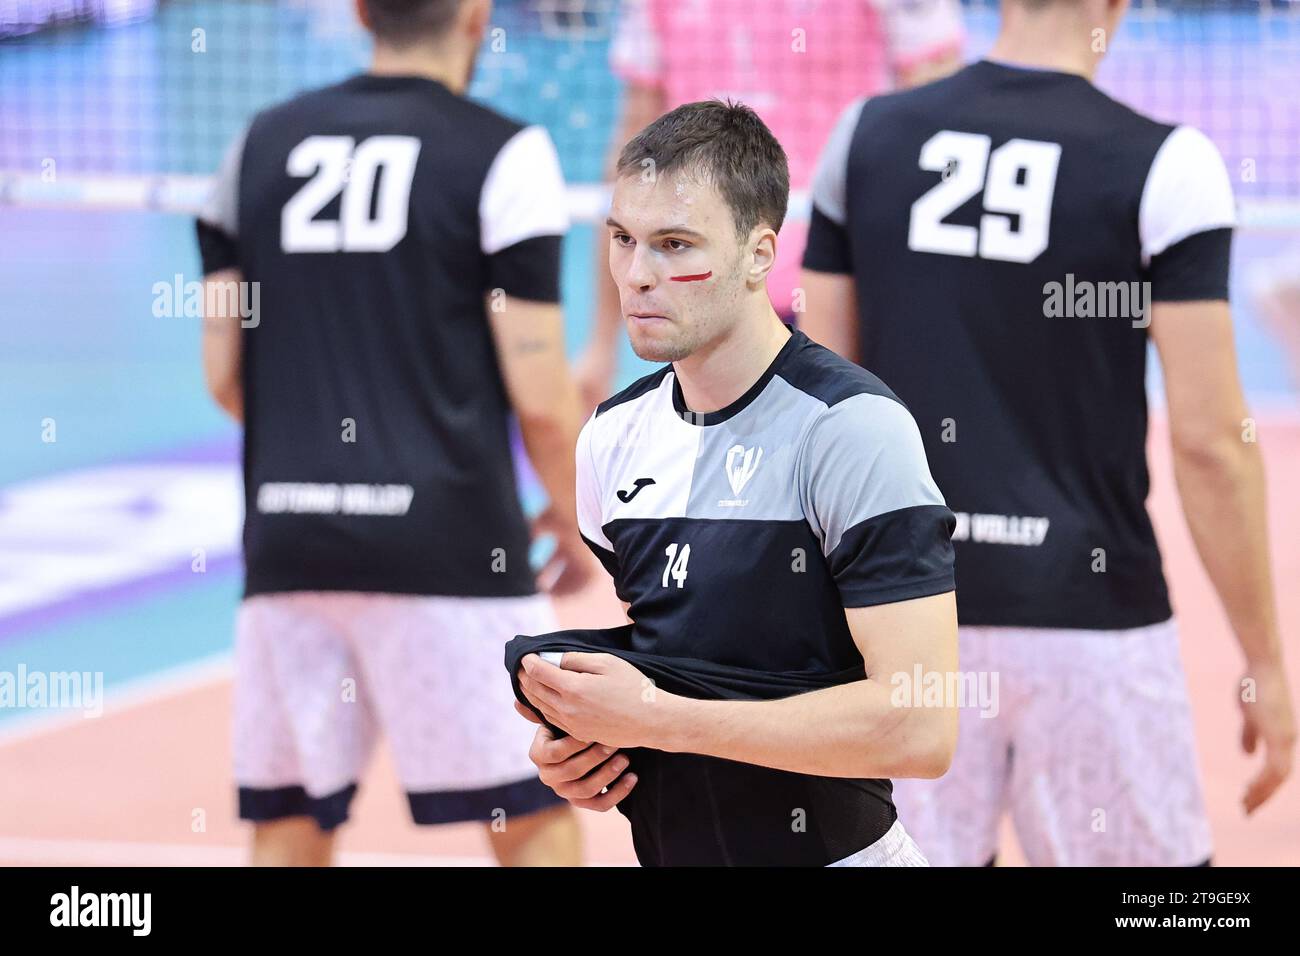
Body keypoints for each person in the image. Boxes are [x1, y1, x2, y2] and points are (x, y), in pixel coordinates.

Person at [799, 0, 1296, 865]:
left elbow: (813, 405)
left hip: (900, 622)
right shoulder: (1164, 164)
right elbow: (1213, 441)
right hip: (1089, 620)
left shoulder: (867, 136)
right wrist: (1265, 660)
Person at [195, 0, 590, 866]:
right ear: (476, 14)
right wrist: (578, 518)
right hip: (450, 548)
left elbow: (223, 373)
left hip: (288, 544)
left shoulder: (252, 148)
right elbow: (543, 397)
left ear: (361, 12)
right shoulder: (504, 153)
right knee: (528, 810)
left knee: (291, 820)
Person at [515, 100, 959, 866]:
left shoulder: (851, 430)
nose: (637, 276)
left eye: (674, 244)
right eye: (623, 240)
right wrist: (593, 752)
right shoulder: (611, 443)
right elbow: (698, 666)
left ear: (760, 254)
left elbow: (920, 727)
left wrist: (655, 719)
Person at [573, 0, 966, 408]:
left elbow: (936, 120)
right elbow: (637, 156)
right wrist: (601, 343)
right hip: (710, 287)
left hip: (842, 281)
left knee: (837, 439)